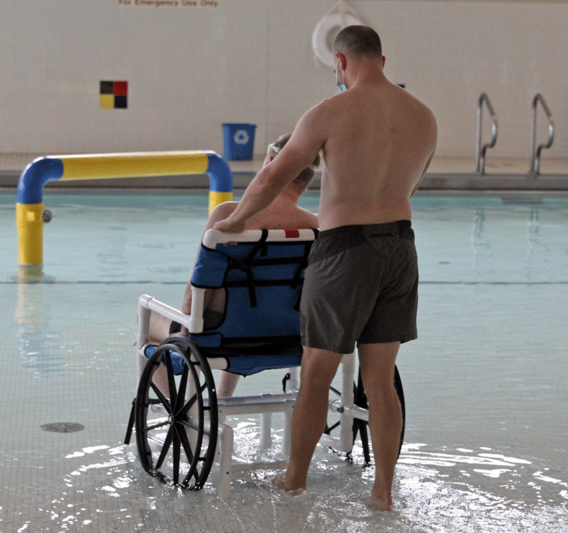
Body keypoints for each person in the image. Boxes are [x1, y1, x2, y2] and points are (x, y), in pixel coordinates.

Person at [212, 26, 437, 510]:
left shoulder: (329, 112)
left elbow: (275, 175)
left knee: (316, 372)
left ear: (340, 62)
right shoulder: (423, 117)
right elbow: (411, 187)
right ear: (381, 58)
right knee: (380, 381)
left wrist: (236, 219)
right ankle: (383, 493)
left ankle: (295, 479)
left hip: (346, 249)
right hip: (401, 247)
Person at [147, 133, 320, 397]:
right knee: (247, 302)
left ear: (270, 162)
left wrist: (185, 335)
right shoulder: (316, 226)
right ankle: (222, 399)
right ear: (307, 180)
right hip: (287, 336)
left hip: (219, 334)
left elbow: (192, 298)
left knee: (147, 318)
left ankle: (179, 412)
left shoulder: (229, 215)